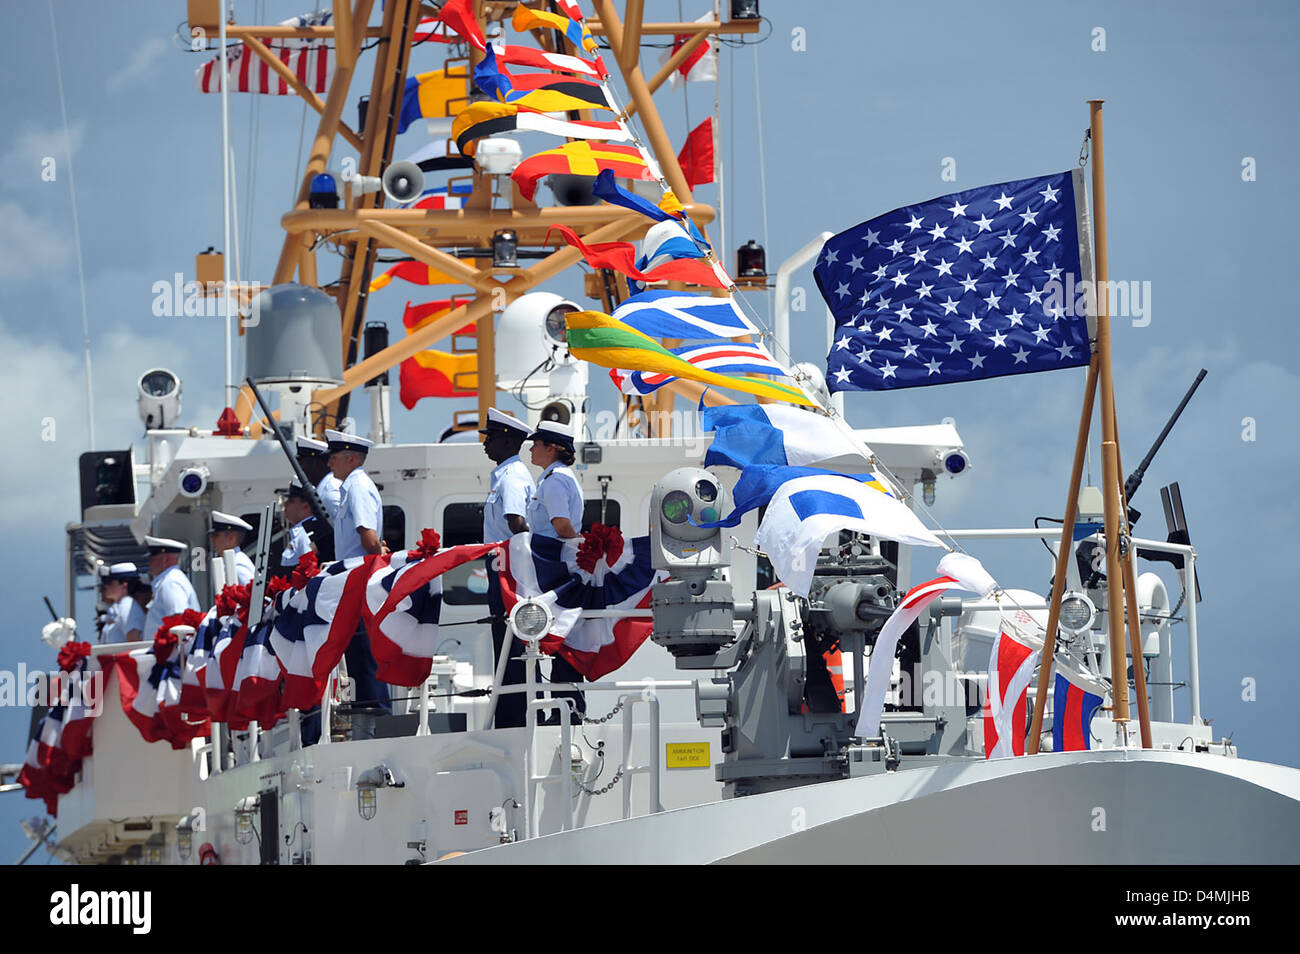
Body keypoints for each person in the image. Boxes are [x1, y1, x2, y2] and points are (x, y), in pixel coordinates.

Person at [525, 420, 586, 720]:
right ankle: (566, 708)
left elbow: (562, 527)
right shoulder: (557, 478)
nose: (531, 448)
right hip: (559, 566)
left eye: (536, 444)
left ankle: (567, 710)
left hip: (554, 568)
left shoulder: (554, 482)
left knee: (559, 639)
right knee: (561, 640)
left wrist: (578, 549)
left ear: (552, 448)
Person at [325, 429, 389, 713]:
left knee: (363, 648)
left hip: (360, 577)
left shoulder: (357, 486)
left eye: (334, 457)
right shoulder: (352, 485)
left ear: (350, 458)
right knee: (356, 648)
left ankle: (376, 707)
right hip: (352, 577)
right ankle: (367, 704)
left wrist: (378, 553)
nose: (329, 464)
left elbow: (367, 534)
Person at [479, 408, 535, 729]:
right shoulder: (504, 474)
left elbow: (516, 523)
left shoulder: (511, 477)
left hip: (508, 569)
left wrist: (525, 560)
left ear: (508, 440)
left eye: (490, 439)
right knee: (505, 641)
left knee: (512, 642)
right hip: (501, 565)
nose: (485, 444)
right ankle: (512, 709)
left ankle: (516, 715)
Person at [141, 536, 200, 639]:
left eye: (152, 559)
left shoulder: (170, 583)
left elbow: (179, 621)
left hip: (172, 653)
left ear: (165, 559)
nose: (149, 563)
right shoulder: (169, 580)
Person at [99, 563, 146, 642]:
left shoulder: (127, 607)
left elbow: (134, 641)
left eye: (110, 582)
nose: (106, 586)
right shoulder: (119, 607)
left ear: (124, 585)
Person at [278, 480, 319, 569]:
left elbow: (310, 569)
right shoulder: (302, 532)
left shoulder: (306, 534)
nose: (285, 504)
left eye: (291, 500)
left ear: (306, 506)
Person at [210, 511, 255, 585]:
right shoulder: (232, 561)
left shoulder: (238, 565)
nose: (212, 539)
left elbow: (251, 594)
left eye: (216, 535)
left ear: (231, 538)